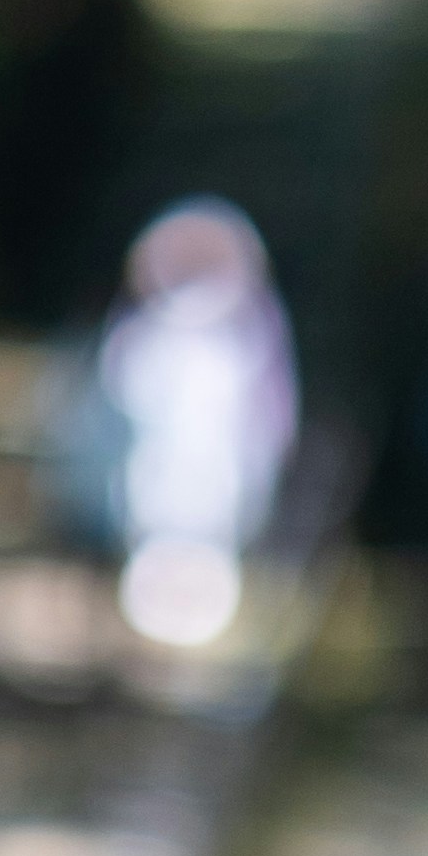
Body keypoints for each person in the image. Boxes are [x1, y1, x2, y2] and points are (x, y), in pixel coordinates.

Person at [94, 198, 297, 649]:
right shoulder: (146, 335)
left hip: (217, 479)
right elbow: (122, 395)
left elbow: (268, 415)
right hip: (159, 479)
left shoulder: (247, 339)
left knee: (204, 556)